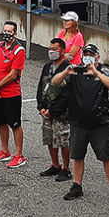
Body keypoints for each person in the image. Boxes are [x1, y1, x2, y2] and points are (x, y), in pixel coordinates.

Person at [63, 43, 109, 203]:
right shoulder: (76, 71)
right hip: (78, 122)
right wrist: (65, 72)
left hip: (100, 123)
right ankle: (77, 185)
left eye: (91, 54)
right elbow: (56, 81)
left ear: (97, 57)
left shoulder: (103, 71)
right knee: (77, 156)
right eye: (86, 53)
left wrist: (96, 72)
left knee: (106, 156)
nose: (87, 56)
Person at [0, 20, 27, 166]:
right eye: (4, 31)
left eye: (9, 32)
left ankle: (19, 155)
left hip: (12, 93)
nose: (6, 34)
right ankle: (5, 151)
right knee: (1, 122)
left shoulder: (19, 50)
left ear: (15, 33)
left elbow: (13, 74)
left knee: (15, 124)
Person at [36, 38, 72, 177]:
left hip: (61, 113)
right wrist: (41, 107)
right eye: (50, 48)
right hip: (46, 110)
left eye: (55, 49)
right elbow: (41, 87)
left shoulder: (67, 69)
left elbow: (66, 94)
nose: (52, 51)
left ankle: (66, 169)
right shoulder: (47, 67)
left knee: (62, 141)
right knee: (49, 140)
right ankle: (55, 165)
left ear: (62, 51)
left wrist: (52, 111)